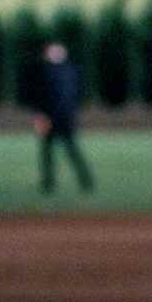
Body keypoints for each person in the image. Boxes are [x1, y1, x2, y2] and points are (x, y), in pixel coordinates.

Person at [32, 42, 95, 194]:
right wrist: (41, 116)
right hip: (53, 118)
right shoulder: (51, 72)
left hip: (62, 118)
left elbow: (76, 95)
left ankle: (84, 181)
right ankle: (49, 184)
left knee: (69, 151)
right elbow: (41, 97)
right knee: (49, 153)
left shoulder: (69, 71)